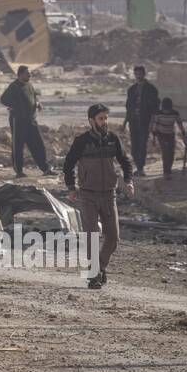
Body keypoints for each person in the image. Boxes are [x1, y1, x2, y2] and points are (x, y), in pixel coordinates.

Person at [63, 104, 135, 289]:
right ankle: (94, 275)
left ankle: (99, 267)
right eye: (101, 118)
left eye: (106, 118)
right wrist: (71, 187)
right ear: (91, 121)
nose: (104, 122)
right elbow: (68, 164)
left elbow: (125, 161)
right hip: (87, 195)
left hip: (109, 195)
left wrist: (129, 181)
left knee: (113, 237)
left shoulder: (113, 139)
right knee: (92, 234)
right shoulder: (82, 141)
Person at [0, 65, 55, 178]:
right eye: (27, 73)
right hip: (18, 120)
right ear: (20, 74)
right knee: (18, 146)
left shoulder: (29, 85)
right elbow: (3, 99)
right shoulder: (14, 86)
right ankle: (19, 172)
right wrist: (15, 106)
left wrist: (38, 103)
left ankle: (46, 169)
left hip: (31, 120)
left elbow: (34, 97)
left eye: (29, 73)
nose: (30, 75)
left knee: (38, 144)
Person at [124, 65, 160, 176]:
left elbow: (155, 108)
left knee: (142, 144)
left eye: (140, 74)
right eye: (136, 74)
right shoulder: (131, 90)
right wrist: (124, 123)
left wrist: (153, 123)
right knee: (134, 146)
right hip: (133, 121)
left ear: (144, 74)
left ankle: (140, 168)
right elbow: (128, 108)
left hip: (145, 121)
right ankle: (138, 166)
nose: (138, 76)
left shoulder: (151, 89)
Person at [150, 96, 187, 178]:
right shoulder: (158, 113)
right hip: (161, 134)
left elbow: (180, 124)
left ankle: (169, 169)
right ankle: (166, 171)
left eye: (168, 110)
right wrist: (154, 139)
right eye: (165, 110)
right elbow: (155, 127)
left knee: (171, 152)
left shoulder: (175, 113)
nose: (166, 111)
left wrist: (184, 134)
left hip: (170, 134)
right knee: (165, 152)